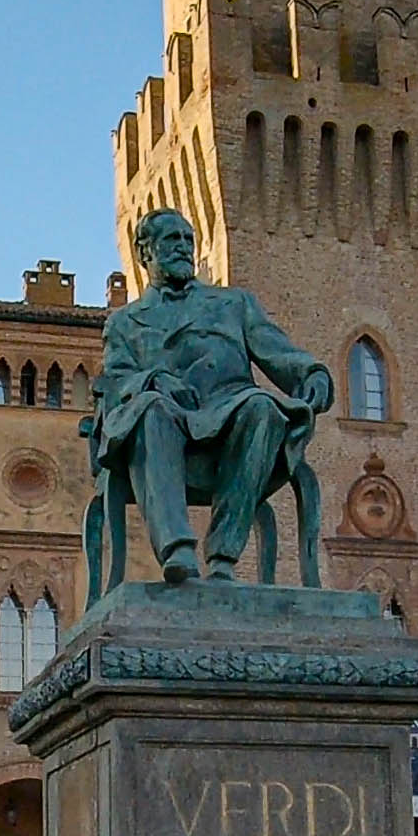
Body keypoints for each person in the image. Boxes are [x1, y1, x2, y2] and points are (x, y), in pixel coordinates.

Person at [89, 209, 333, 585]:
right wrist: (155, 380)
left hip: (229, 408)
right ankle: (177, 550)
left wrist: (312, 373)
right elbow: (117, 381)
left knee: (263, 407)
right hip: (166, 414)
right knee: (150, 411)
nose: (183, 248)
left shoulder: (233, 304)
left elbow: (278, 351)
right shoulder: (124, 322)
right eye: (172, 240)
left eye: (188, 240)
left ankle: (223, 556)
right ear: (144, 251)